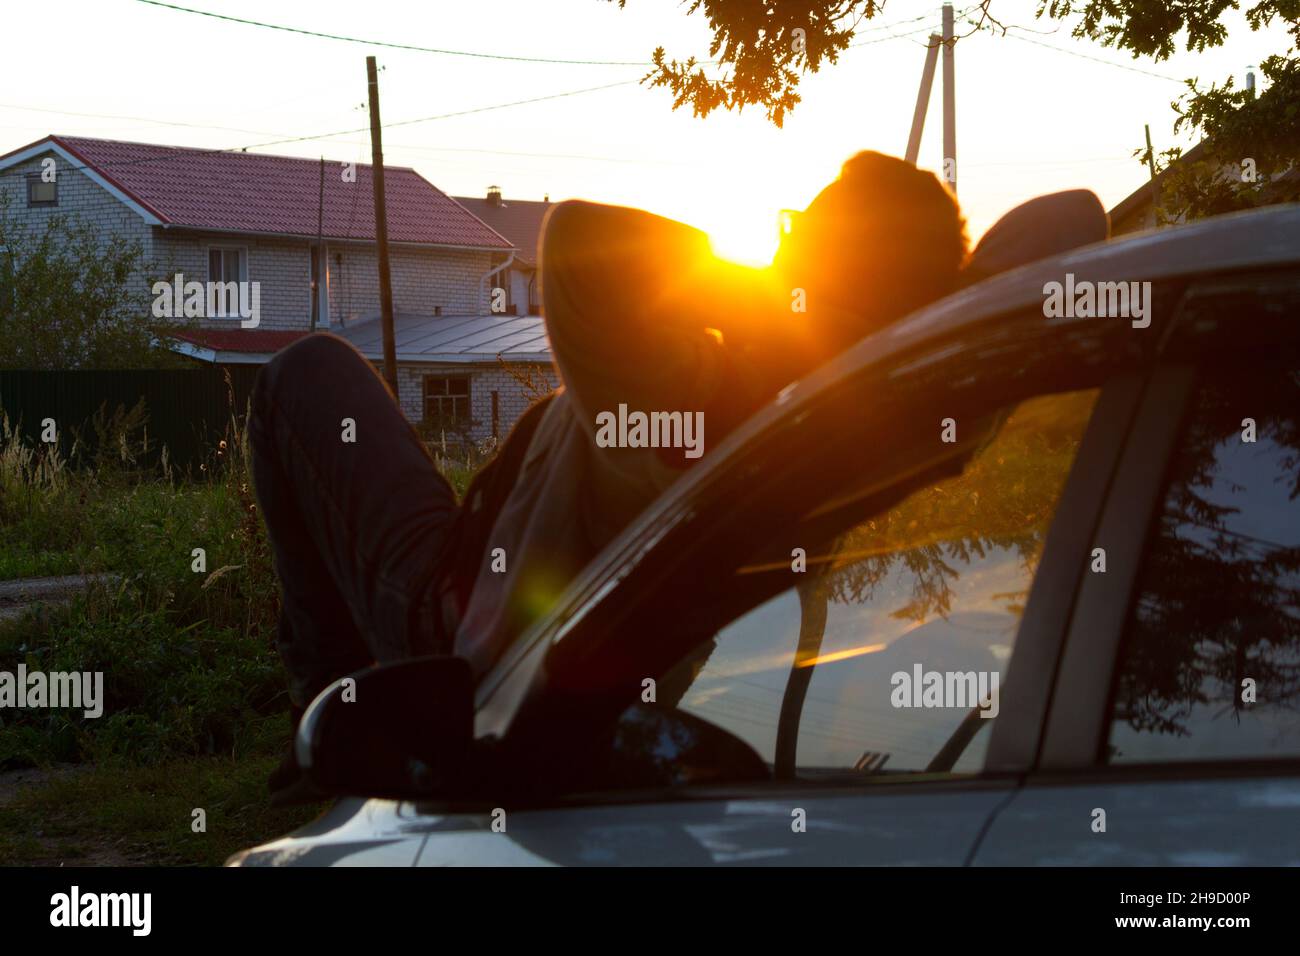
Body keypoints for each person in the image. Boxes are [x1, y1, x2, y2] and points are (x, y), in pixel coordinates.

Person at [250, 151, 970, 804]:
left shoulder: (722, 387)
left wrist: (785, 299)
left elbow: (579, 242)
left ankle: (336, 715)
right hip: (519, 590)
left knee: (306, 373)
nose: (780, 240)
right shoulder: (873, 400)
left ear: (828, 263)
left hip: (464, 625)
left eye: (800, 225)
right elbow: (1048, 230)